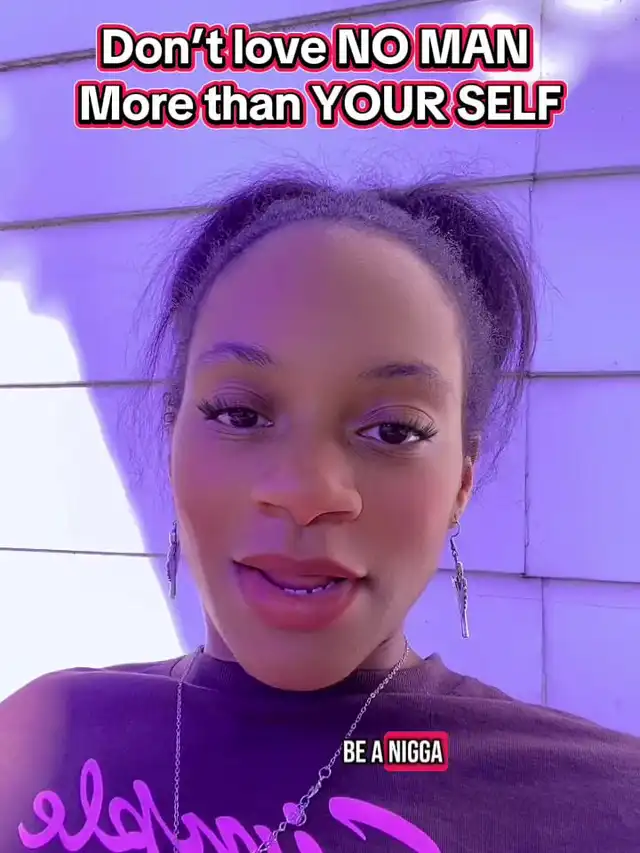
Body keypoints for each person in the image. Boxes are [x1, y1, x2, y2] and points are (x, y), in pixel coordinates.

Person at [0, 172, 638, 853]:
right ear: (172, 437)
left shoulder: (602, 807)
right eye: (240, 414)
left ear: (462, 480)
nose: (306, 492)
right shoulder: (40, 740)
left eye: (393, 430)